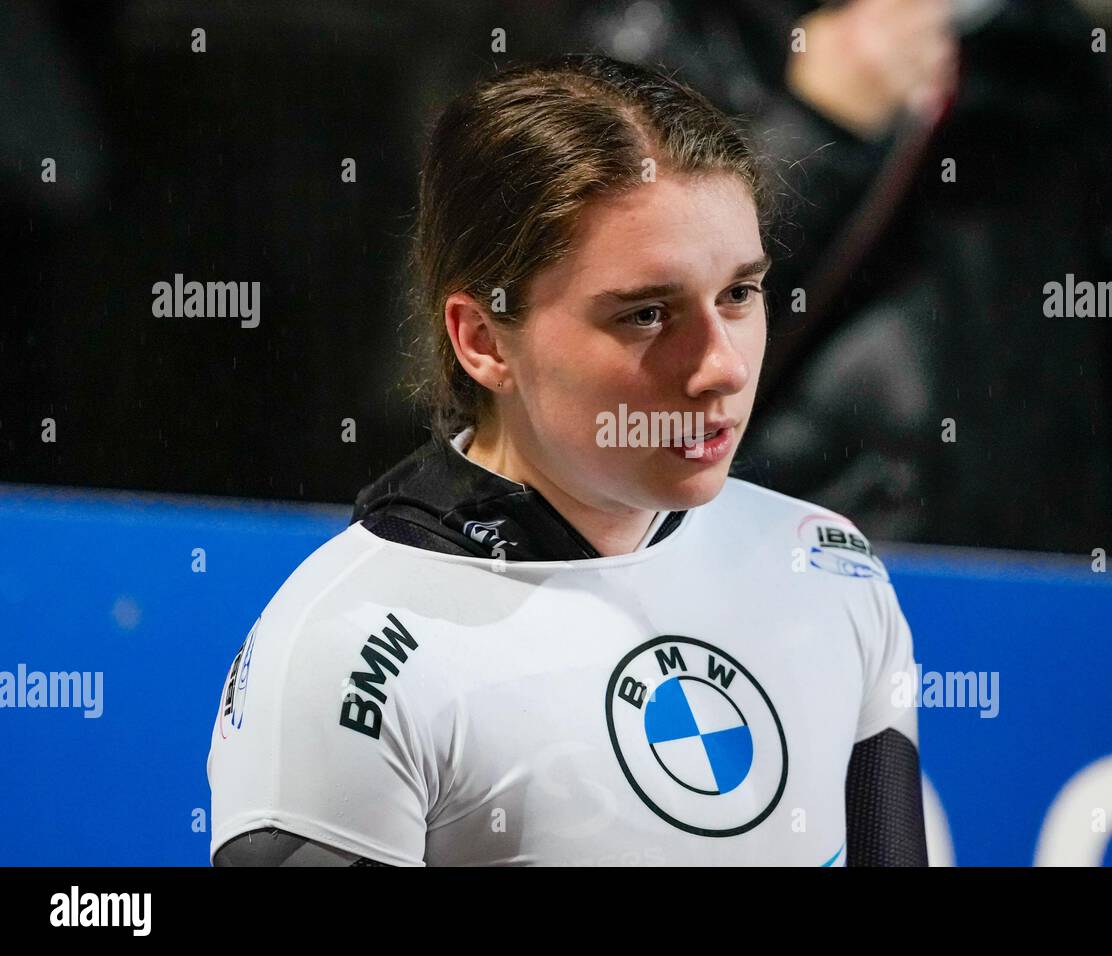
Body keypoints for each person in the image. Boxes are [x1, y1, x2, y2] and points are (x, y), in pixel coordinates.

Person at [207, 53, 926, 866]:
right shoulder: (347, 657)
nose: (720, 365)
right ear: (483, 341)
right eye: (648, 314)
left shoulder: (827, 571)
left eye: (739, 294)